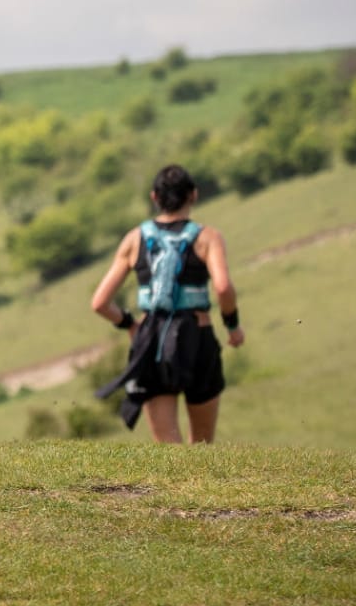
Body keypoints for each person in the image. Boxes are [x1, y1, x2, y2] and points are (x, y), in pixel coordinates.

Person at [88, 165, 244, 443]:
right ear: (193, 195)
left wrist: (130, 324)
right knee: (203, 444)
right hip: (198, 336)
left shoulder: (135, 239)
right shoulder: (208, 238)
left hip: (151, 342)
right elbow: (222, 287)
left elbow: (99, 302)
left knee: (168, 446)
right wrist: (232, 326)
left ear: (154, 197)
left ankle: (174, 488)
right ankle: (204, 487)